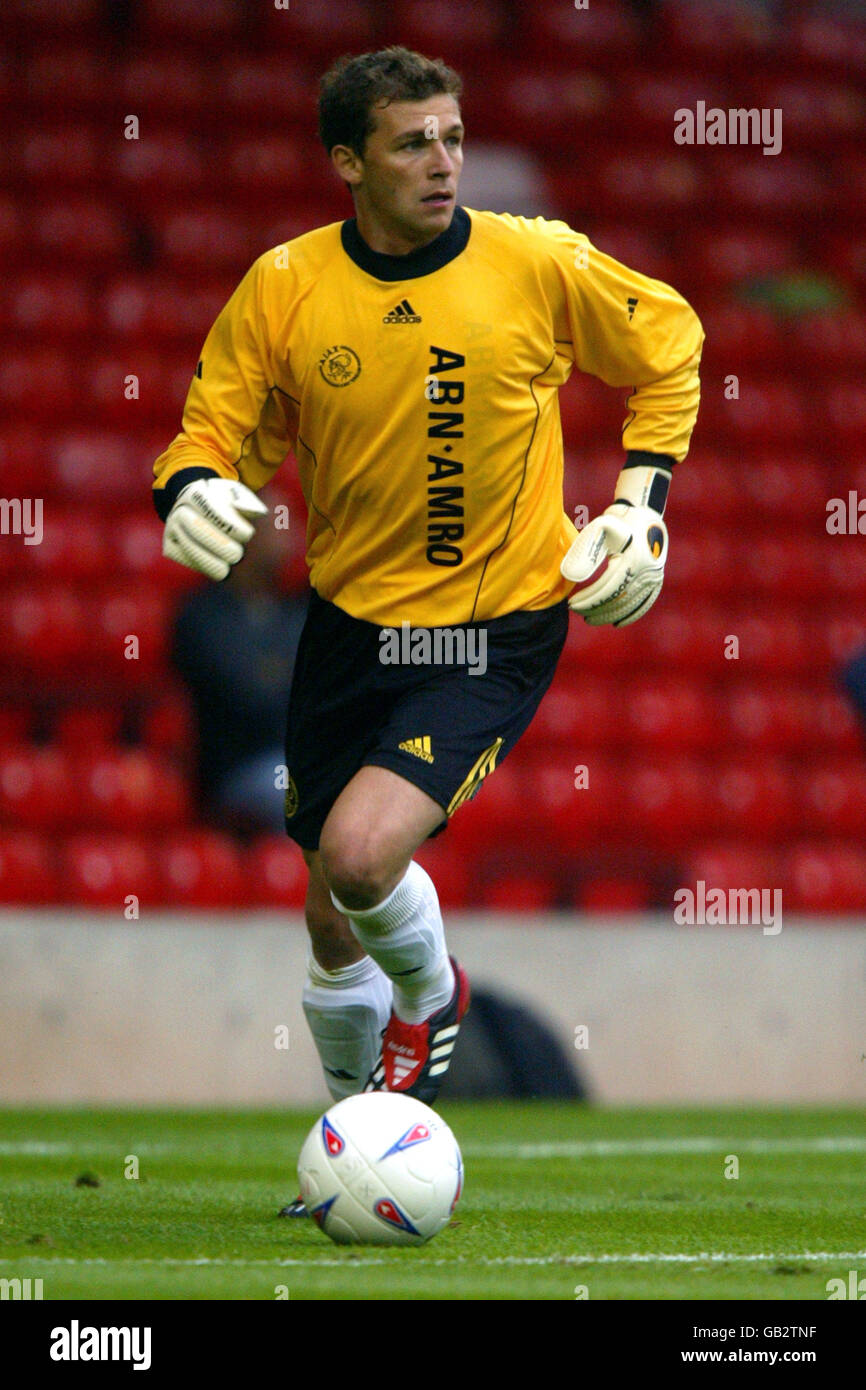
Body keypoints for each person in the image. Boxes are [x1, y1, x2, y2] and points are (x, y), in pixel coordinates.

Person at [152, 48, 703, 1166]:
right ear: (347, 161)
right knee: (325, 918)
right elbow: (212, 431)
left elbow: (669, 345)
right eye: (411, 142)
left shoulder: (533, 263)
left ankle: (431, 988)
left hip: (490, 629)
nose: (441, 160)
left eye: (450, 136)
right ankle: (355, 1143)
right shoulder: (287, 284)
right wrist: (191, 486)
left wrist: (639, 504)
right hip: (347, 631)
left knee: (358, 861)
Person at [171, 492, 309, 834]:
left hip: (304, 757)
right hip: (240, 769)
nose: (290, 534)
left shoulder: (297, 610)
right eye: (277, 524)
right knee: (294, 793)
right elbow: (249, 697)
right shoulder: (204, 614)